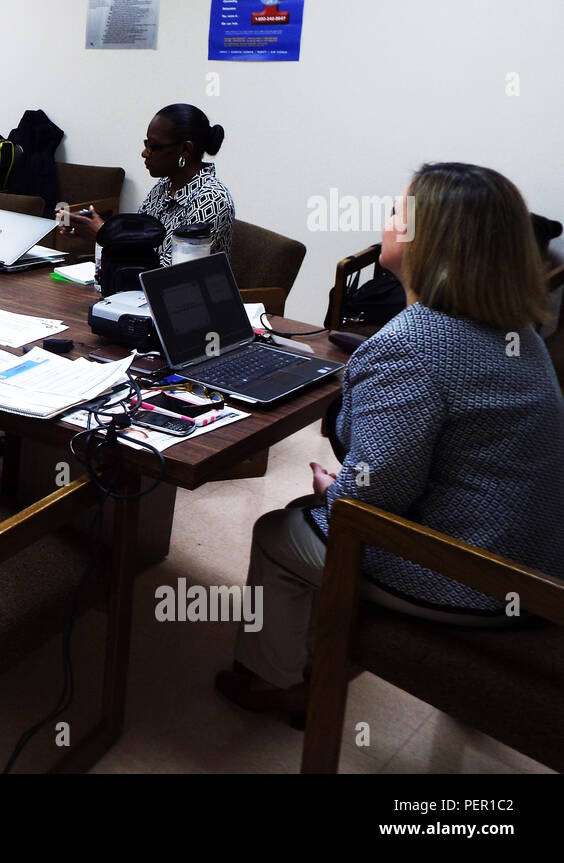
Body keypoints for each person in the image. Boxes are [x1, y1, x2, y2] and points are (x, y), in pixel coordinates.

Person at [214, 162, 564, 720]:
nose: (387, 220)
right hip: (538, 563)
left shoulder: (415, 343)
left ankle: (275, 685)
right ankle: (311, 649)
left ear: (430, 240)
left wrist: (338, 494)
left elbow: (373, 499)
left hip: (474, 579)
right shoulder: (522, 333)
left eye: (398, 211)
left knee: (280, 532)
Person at [65, 103, 234, 266]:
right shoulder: (164, 186)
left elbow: (174, 273)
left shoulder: (213, 200)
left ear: (185, 150)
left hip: (180, 293)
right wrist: (91, 230)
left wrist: (106, 235)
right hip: (138, 291)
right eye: (146, 144)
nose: (144, 153)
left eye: (153, 146)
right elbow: (136, 241)